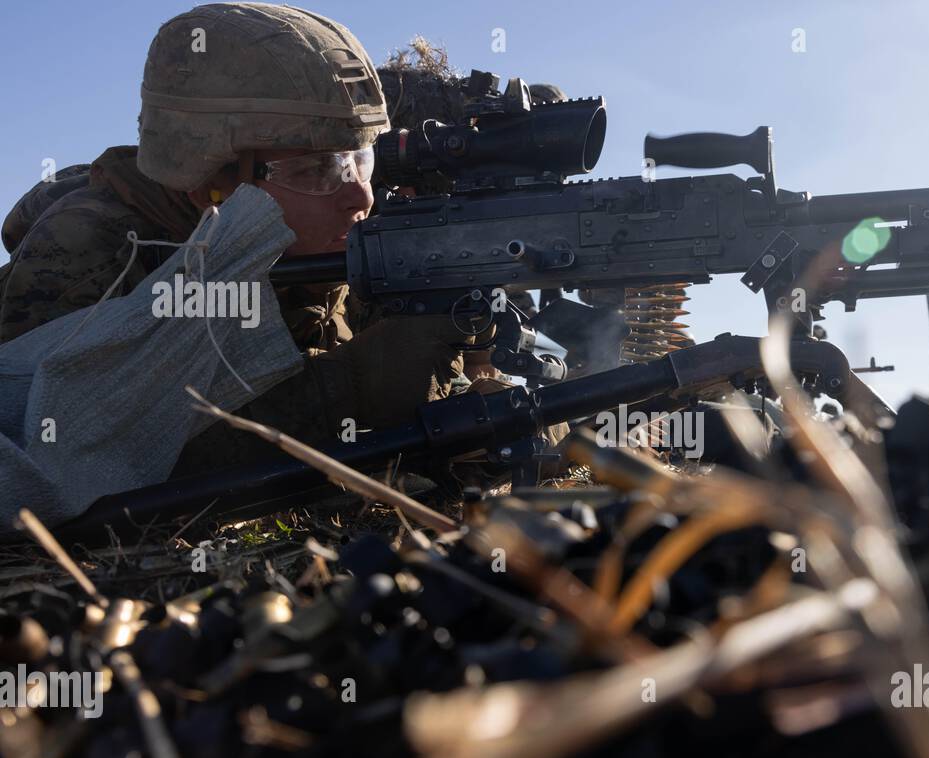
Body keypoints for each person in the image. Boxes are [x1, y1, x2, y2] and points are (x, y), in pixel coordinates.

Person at [0, 3, 533, 481]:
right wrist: (348, 391)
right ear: (211, 177)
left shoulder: (329, 253)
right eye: (319, 167)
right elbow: (71, 467)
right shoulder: (101, 249)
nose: (359, 196)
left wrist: (478, 415)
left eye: (361, 160)